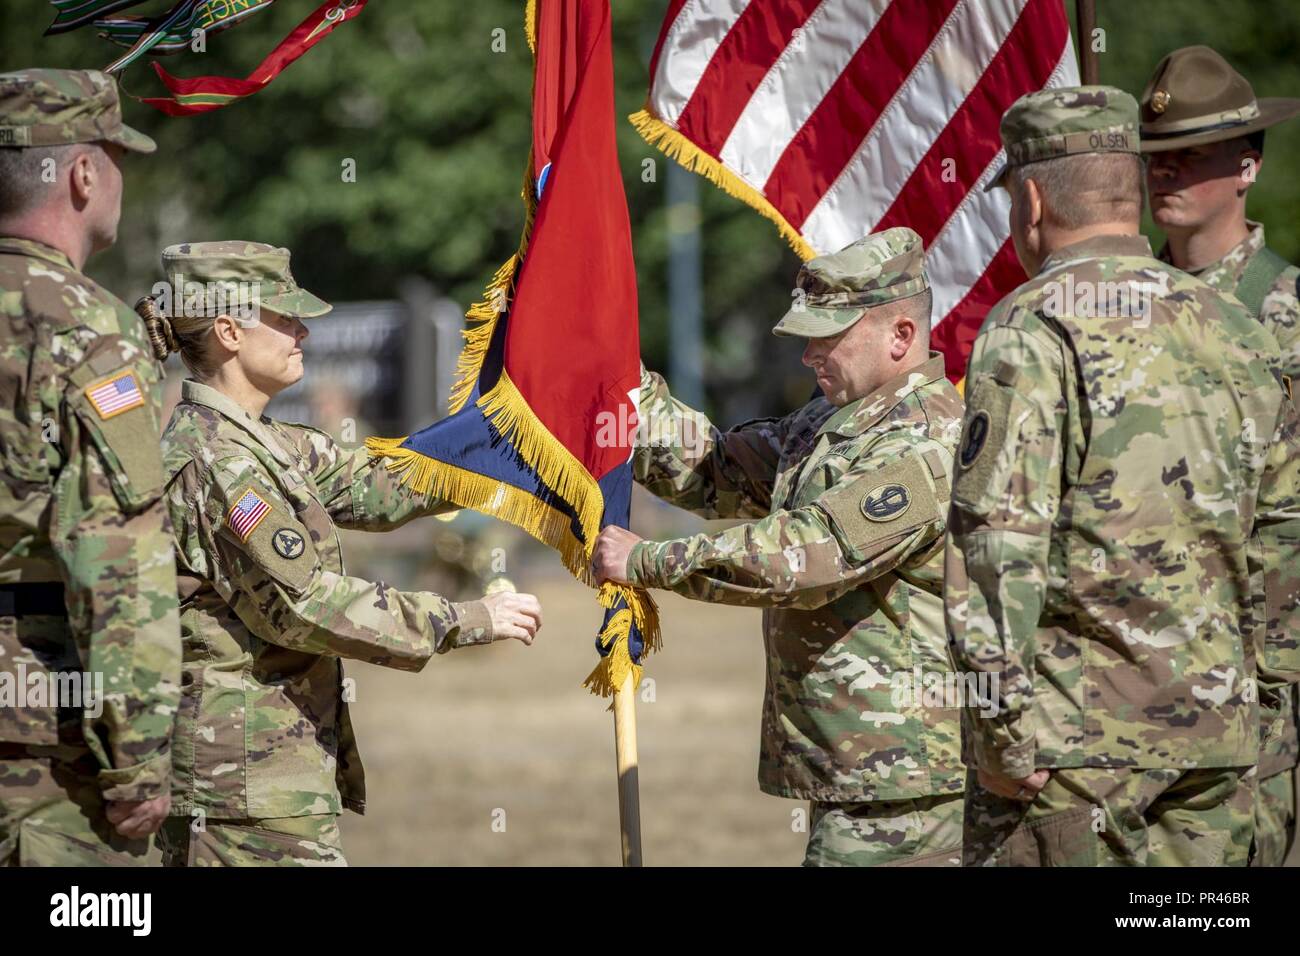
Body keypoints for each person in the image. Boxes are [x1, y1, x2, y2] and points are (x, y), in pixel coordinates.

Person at [948, 85, 1300, 866]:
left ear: (1031, 201)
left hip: (1073, 753)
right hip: (1219, 742)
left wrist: (1001, 738)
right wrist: (1266, 709)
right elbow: (1283, 534)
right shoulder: (1236, 326)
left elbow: (994, 553)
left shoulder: (1030, 326)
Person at [142, 241, 543, 866]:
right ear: (228, 332)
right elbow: (305, 604)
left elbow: (376, 483)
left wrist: (507, 438)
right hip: (240, 795)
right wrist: (465, 619)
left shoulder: (264, 442)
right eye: (283, 317)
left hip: (266, 777)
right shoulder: (218, 462)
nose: (302, 330)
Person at [593, 228, 968, 866]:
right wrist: (618, 384)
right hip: (859, 775)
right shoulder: (830, 424)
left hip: (908, 790)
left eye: (830, 337)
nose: (810, 356)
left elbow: (810, 555)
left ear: (901, 335)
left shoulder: (926, 444)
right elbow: (718, 472)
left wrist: (650, 560)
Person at [0, 69, 180, 866]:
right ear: (81, 174)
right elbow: (115, 554)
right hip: (38, 737)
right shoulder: (88, 331)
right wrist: (137, 757)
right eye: (115, 155)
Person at [1140, 45, 1300, 866]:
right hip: (1125, 680)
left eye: (1190, 157)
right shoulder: (1113, 311)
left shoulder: (1289, 314)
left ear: (1247, 165)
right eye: (1156, 158)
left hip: (1256, 680)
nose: (1165, 174)